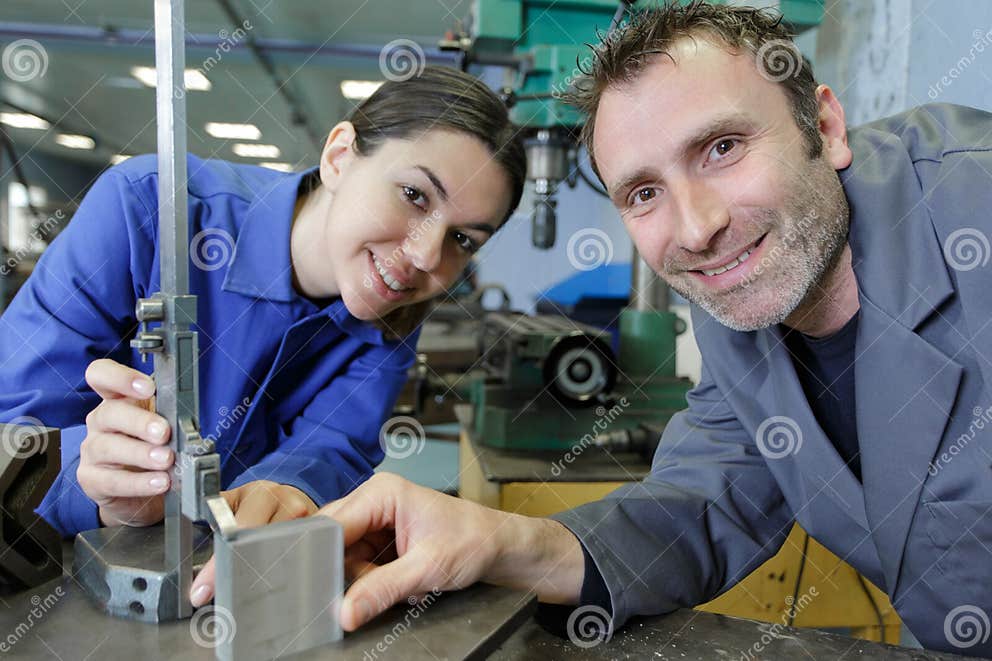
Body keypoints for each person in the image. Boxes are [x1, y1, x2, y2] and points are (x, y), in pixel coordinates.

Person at [287, 3, 992, 657]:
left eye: (721, 147)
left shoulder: (974, 214)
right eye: (644, 192)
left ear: (825, 126)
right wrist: (502, 539)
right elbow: (704, 501)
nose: (697, 228)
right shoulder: (744, 312)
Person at [0, 65, 525, 607]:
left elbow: (334, 443)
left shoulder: (395, 314)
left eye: (462, 237)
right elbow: (11, 427)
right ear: (339, 156)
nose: (425, 257)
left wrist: (288, 490)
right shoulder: (149, 208)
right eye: (414, 194)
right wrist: (99, 488)